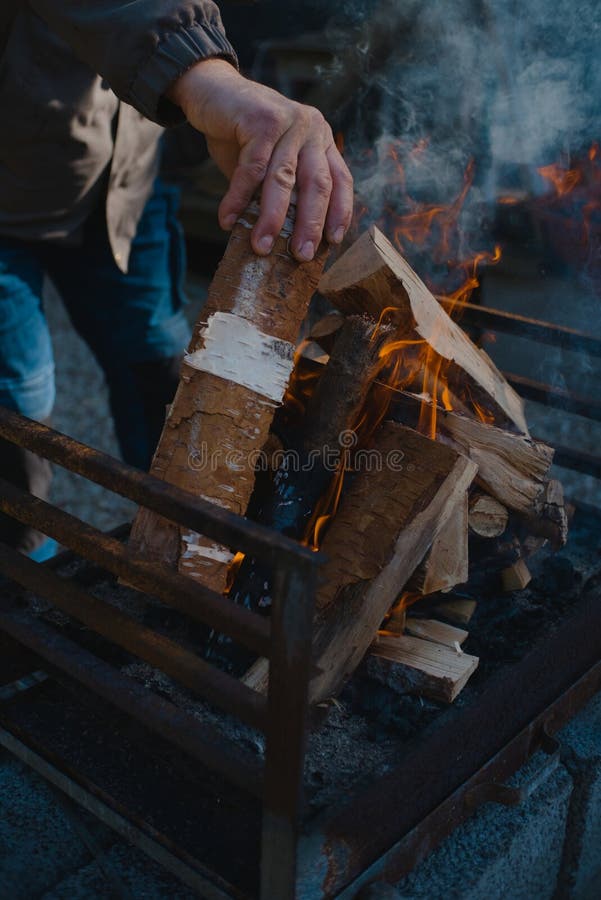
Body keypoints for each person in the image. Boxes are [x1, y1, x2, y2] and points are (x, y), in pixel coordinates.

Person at [0, 1, 353, 557]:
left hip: (125, 181)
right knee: (18, 393)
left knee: (158, 360)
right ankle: (22, 569)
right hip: (9, 182)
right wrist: (202, 71)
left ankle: (181, 551)